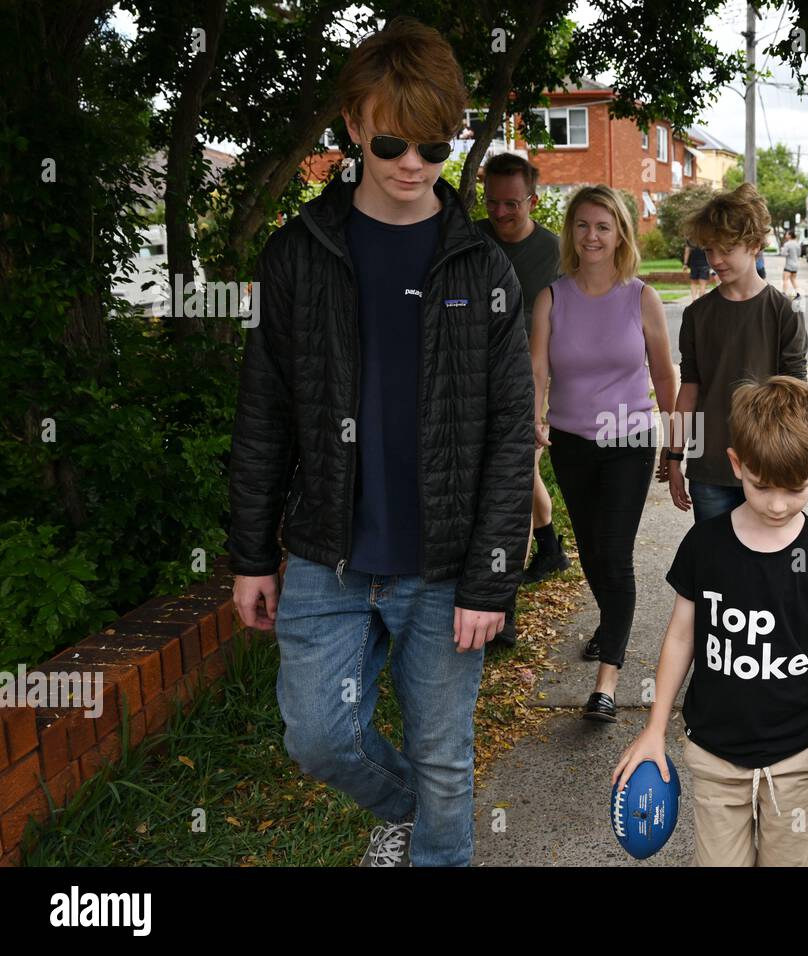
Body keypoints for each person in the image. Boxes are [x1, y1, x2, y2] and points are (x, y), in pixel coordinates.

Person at [226, 18, 534, 867]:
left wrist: (493, 578)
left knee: (445, 756)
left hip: (445, 569)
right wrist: (252, 555)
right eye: (392, 139)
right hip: (328, 558)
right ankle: (424, 815)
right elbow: (265, 413)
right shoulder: (298, 255)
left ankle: (438, 840)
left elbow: (514, 435)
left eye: (435, 146)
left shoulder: (482, 266)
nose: (412, 163)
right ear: (356, 125)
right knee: (317, 738)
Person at [615, 376, 808, 866]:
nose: (775, 504)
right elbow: (681, 636)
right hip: (714, 758)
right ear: (736, 464)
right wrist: (654, 728)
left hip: (798, 761)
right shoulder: (705, 546)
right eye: (760, 485)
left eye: (794, 489)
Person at [530, 185, 678, 722]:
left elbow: (664, 374)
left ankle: (607, 680)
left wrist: (679, 444)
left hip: (630, 441)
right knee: (592, 551)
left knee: (613, 553)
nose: (591, 236)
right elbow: (537, 372)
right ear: (571, 232)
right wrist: (535, 419)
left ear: (620, 235)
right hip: (572, 442)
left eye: (603, 226)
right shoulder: (551, 297)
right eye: (582, 225)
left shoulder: (640, 297)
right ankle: (608, 624)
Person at [664, 182, 808, 522]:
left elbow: (796, 397)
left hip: (767, 471)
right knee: (715, 571)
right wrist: (673, 455)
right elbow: (690, 389)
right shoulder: (697, 315)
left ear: (755, 244)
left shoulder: (783, 311)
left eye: (726, 249)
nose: (715, 260)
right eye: (710, 250)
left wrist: (796, 466)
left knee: (764, 570)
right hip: (709, 468)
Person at [475, 152, 569, 647]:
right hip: (470, 383)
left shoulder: (554, 254)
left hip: (533, 385)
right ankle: (550, 546)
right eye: (492, 202)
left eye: (511, 204)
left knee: (510, 488)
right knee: (494, 484)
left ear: (532, 200)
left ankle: (502, 606)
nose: (501, 212)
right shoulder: (469, 239)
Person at [780, 229, 802, 299]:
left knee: (785, 279)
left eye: (787, 234)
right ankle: (798, 293)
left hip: (789, 265)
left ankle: (784, 294)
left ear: (790, 236)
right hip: (796, 264)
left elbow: (783, 253)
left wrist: (787, 253)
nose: (786, 235)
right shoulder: (797, 244)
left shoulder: (787, 244)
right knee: (793, 279)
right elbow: (799, 254)